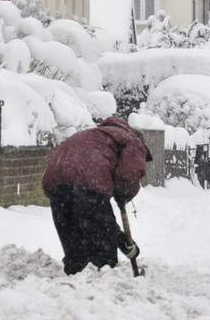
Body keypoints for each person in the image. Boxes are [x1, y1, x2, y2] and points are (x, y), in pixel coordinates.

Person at [42, 117, 151, 275]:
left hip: (56, 183)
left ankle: (75, 278)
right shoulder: (133, 140)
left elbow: (99, 220)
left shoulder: (96, 135)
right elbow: (129, 175)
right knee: (104, 256)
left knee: (76, 252)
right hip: (88, 180)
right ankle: (103, 282)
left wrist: (121, 241)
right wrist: (123, 195)